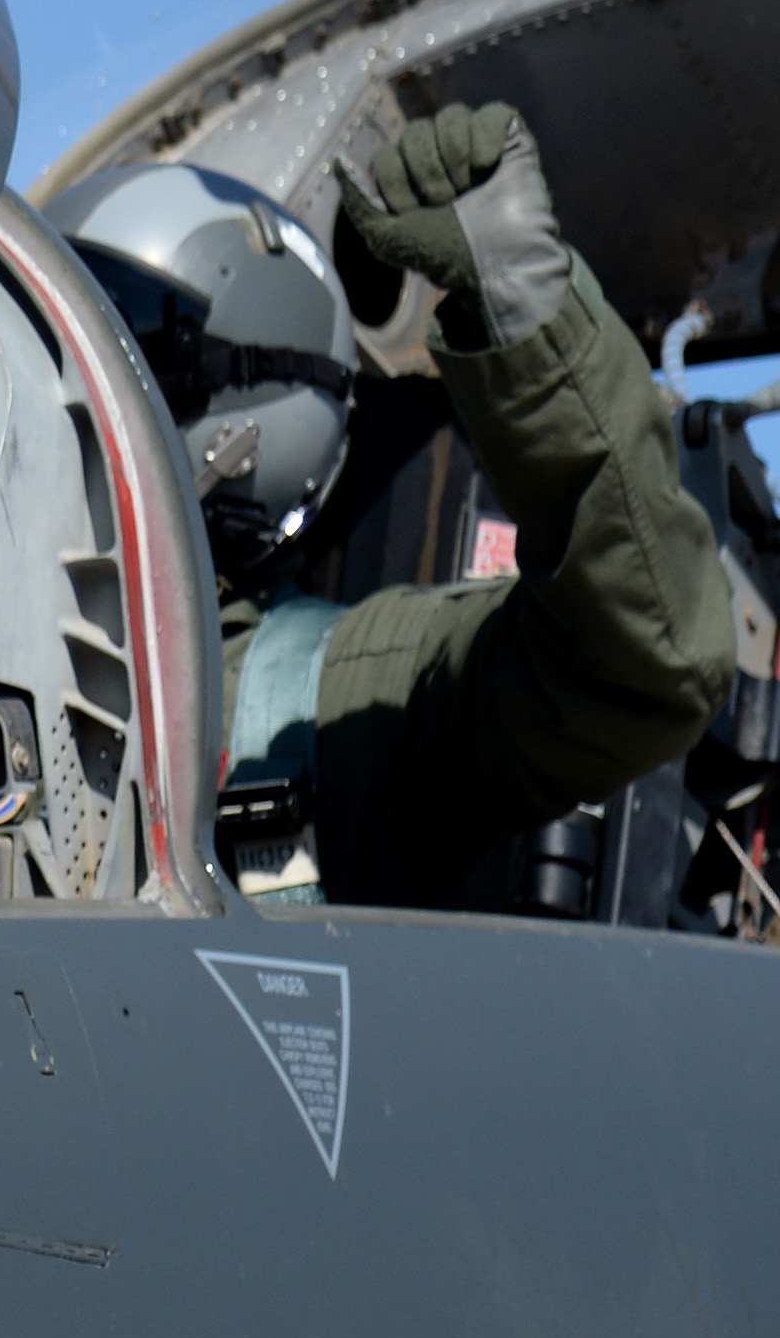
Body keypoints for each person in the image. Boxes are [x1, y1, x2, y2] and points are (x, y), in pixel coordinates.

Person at [71, 101, 737, 908]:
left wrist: (525, 303)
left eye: (118, 348)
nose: (56, 386)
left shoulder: (335, 707)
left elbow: (646, 665)